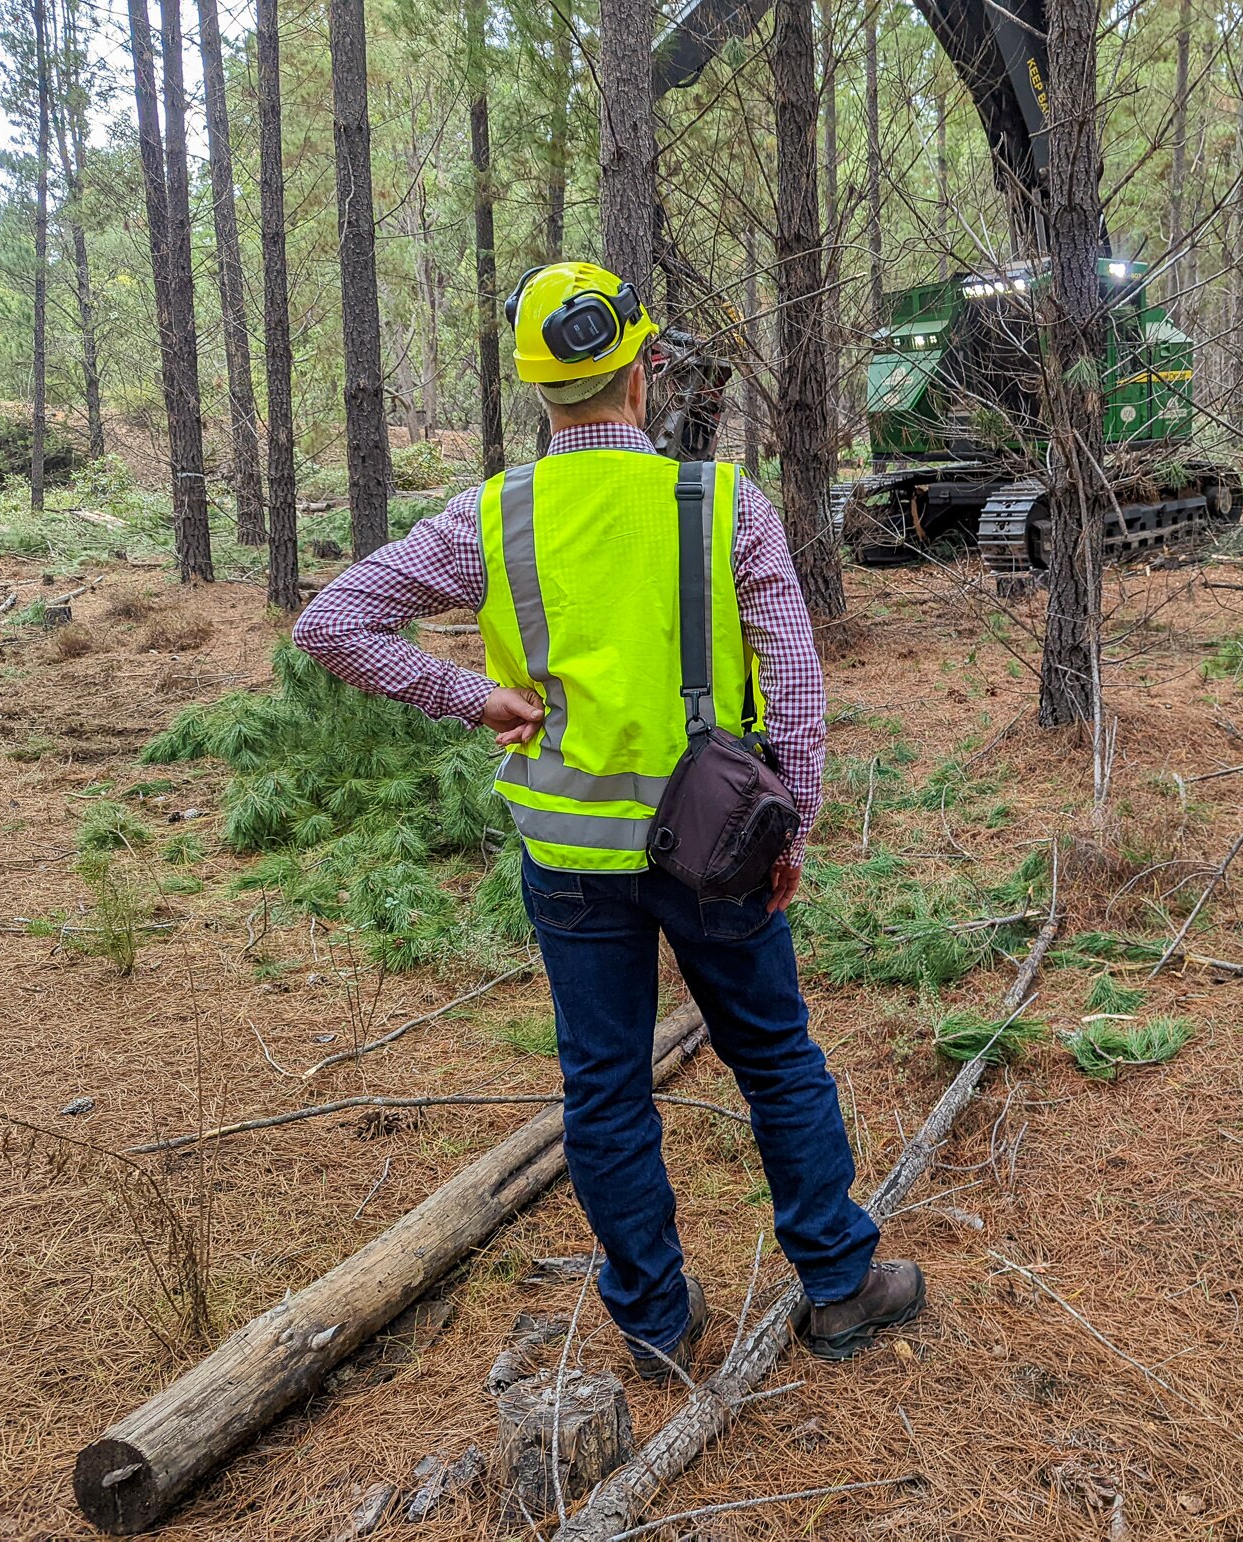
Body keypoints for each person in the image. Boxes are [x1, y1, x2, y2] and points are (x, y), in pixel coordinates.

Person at [294, 260, 922, 1376]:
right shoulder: (723, 503)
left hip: (567, 854)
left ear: (541, 391)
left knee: (604, 1084)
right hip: (721, 848)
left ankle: (653, 1325)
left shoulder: (487, 519)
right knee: (773, 1056)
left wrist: (467, 694)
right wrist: (797, 828)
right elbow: (793, 681)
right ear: (642, 370)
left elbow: (334, 622)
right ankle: (837, 1284)